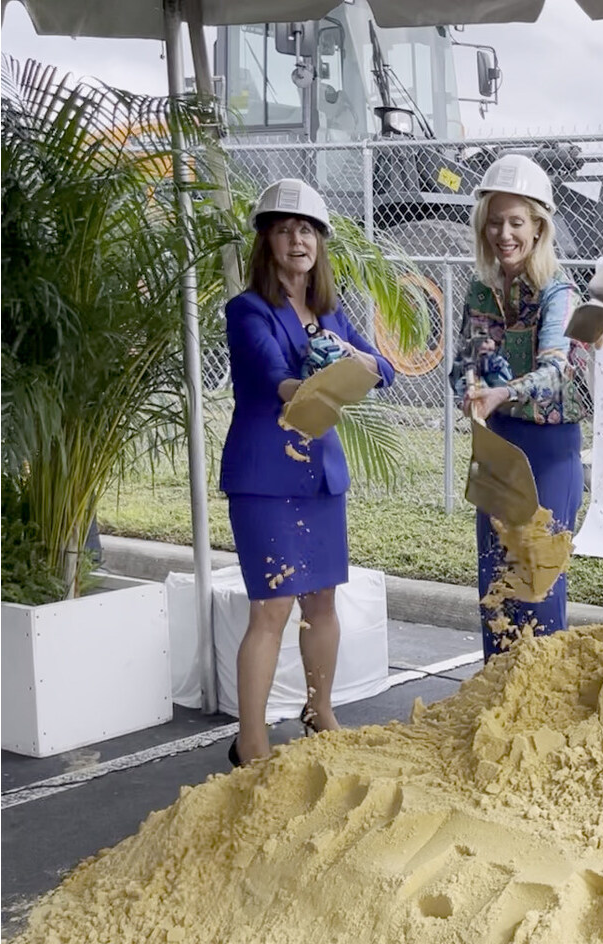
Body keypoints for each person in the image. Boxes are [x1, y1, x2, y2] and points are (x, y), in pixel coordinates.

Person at [219, 178, 394, 767]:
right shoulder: (247, 310)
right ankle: (252, 744)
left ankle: (320, 712)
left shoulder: (330, 312)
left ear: (320, 243)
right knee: (271, 610)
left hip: (319, 476)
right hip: (266, 476)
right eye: (284, 229)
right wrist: (325, 379)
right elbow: (277, 379)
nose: (297, 240)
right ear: (267, 242)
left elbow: (384, 369)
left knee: (322, 604)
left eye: (307, 230)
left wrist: (354, 360)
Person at [448, 153, 592, 659]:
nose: (503, 234)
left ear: (538, 227)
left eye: (515, 222)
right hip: (498, 446)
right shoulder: (480, 290)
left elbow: (556, 370)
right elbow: (462, 364)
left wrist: (502, 393)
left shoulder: (560, 292)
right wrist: (469, 386)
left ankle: (540, 704)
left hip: (548, 450)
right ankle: (497, 695)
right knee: (496, 579)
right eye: (494, 223)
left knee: (538, 577)